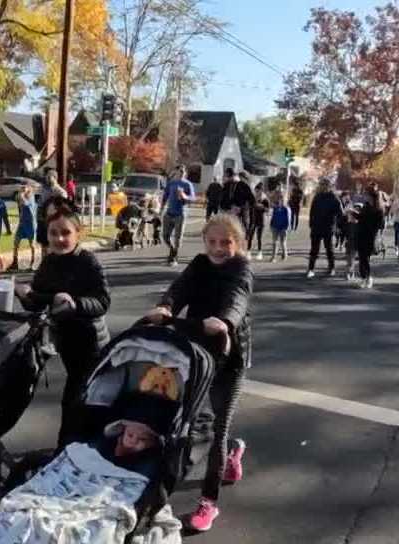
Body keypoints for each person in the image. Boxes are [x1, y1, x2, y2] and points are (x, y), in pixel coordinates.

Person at [143, 214, 253, 533]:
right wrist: (166, 307)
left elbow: (238, 299)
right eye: (212, 242)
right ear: (204, 242)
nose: (218, 249)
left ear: (238, 244)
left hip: (228, 355)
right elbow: (179, 289)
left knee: (218, 426)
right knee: (185, 419)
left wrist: (225, 322)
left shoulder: (241, 268)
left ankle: (209, 500)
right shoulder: (200, 264)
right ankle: (231, 452)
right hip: (195, 352)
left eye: (226, 243)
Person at [15, 197, 111, 447]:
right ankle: (82, 444)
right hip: (65, 341)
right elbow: (39, 301)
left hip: (91, 342)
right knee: (80, 399)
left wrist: (76, 304)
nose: (59, 239)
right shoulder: (48, 263)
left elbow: (102, 301)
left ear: (78, 234)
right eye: (53, 233)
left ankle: (67, 449)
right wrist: (23, 294)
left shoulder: (87, 262)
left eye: (66, 233)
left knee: (76, 400)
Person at [305, 178, 343, 279]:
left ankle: (332, 268)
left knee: (329, 249)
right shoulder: (317, 197)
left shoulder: (334, 198)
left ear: (329, 186)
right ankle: (311, 269)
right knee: (314, 250)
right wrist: (311, 224)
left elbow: (340, 214)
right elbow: (312, 212)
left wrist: (338, 226)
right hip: (316, 227)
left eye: (325, 185)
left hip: (328, 227)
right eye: (321, 185)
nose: (322, 187)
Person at [161, 165, 196, 267]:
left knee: (178, 238)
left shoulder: (187, 184)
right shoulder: (171, 183)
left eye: (183, 171)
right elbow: (165, 195)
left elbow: (193, 198)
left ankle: (174, 257)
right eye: (179, 171)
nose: (181, 173)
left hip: (180, 214)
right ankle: (172, 249)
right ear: (175, 172)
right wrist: (162, 207)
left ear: (185, 173)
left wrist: (185, 196)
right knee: (165, 236)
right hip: (169, 213)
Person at [354, 188, 385, 289]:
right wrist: (353, 213)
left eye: (367, 195)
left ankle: (368, 277)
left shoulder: (379, 210)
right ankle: (364, 278)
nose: (365, 197)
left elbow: (380, 225)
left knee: (365, 258)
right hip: (361, 234)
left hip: (371, 236)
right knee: (362, 258)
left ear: (373, 197)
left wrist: (378, 236)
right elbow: (361, 217)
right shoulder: (366, 207)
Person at [8, 185, 38, 271]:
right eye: (22, 188)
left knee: (32, 244)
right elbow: (19, 201)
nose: (23, 189)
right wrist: (20, 195)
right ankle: (15, 262)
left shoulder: (31, 198)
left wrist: (22, 195)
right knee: (16, 242)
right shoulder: (21, 197)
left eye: (25, 187)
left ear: (30, 190)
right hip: (22, 224)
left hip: (31, 224)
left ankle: (33, 264)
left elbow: (25, 203)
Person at [219, 168, 255, 233]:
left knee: (241, 225)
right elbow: (223, 197)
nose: (225, 178)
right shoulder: (227, 185)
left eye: (226, 175)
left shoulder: (242, 184)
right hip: (230, 209)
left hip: (240, 208)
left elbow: (251, 198)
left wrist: (245, 207)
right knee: (231, 226)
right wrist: (223, 207)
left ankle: (244, 235)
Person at [268, 190, 292, 263]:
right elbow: (273, 216)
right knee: (275, 242)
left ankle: (285, 254)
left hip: (283, 227)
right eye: (278, 198)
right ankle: (273, 257)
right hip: (275, 226)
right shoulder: (275, 207)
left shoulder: (286, 208)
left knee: (283, 242)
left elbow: (288, 218)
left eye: (281, 198)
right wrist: (271, 225)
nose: (279, 200)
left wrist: (287, 227)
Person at [247, 184, 269, 260]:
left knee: (259, 237)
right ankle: (248, 252)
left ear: (261, 190)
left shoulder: (265, 199)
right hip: (253, 220)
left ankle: (260, 253)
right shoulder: (253, 199)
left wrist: (261, 206)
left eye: (258, 190)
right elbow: (249, 207)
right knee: (250, 236)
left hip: (261, 220)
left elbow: (267, 210)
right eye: (255, 191)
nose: (256, 192)